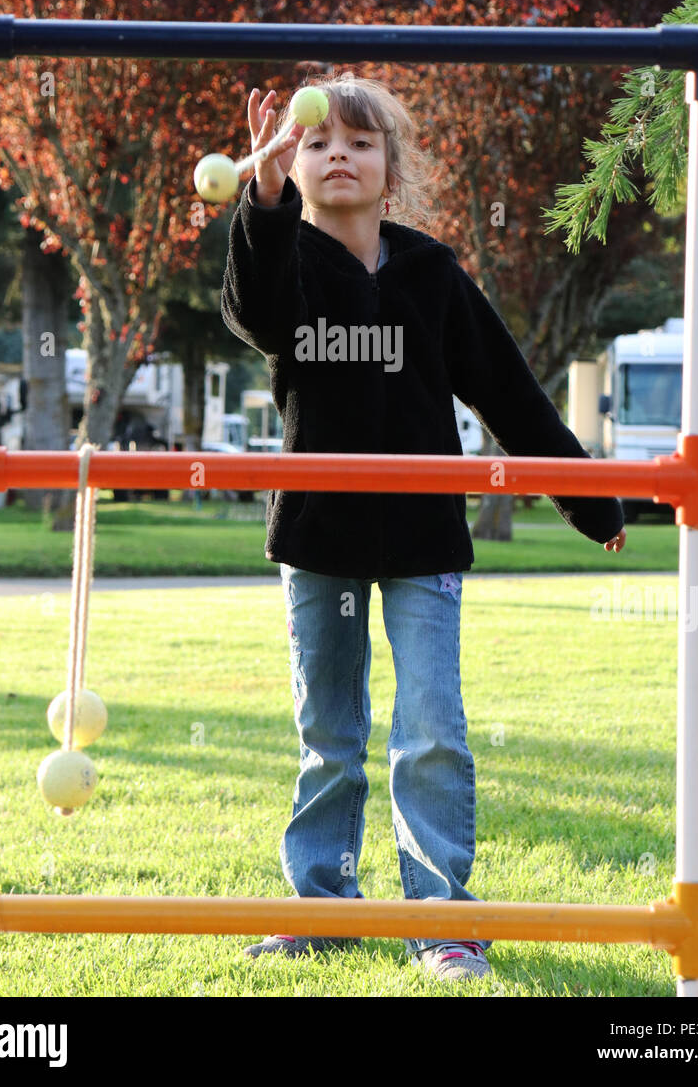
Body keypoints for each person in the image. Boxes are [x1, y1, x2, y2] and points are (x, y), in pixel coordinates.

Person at [220, 73, 626, 984]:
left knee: (430, 728)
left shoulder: (432, 273)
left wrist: (591, 503)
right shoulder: (285, 264)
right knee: (328, 732)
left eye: (361, 144)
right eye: (318, 142)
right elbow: (254, 315)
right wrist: (263, 200)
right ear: (292, 161)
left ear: (390, 170)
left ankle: (441, 916)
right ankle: (320, 907)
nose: (338, 155)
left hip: (420, 541)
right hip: (318, 539)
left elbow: (511, 397)